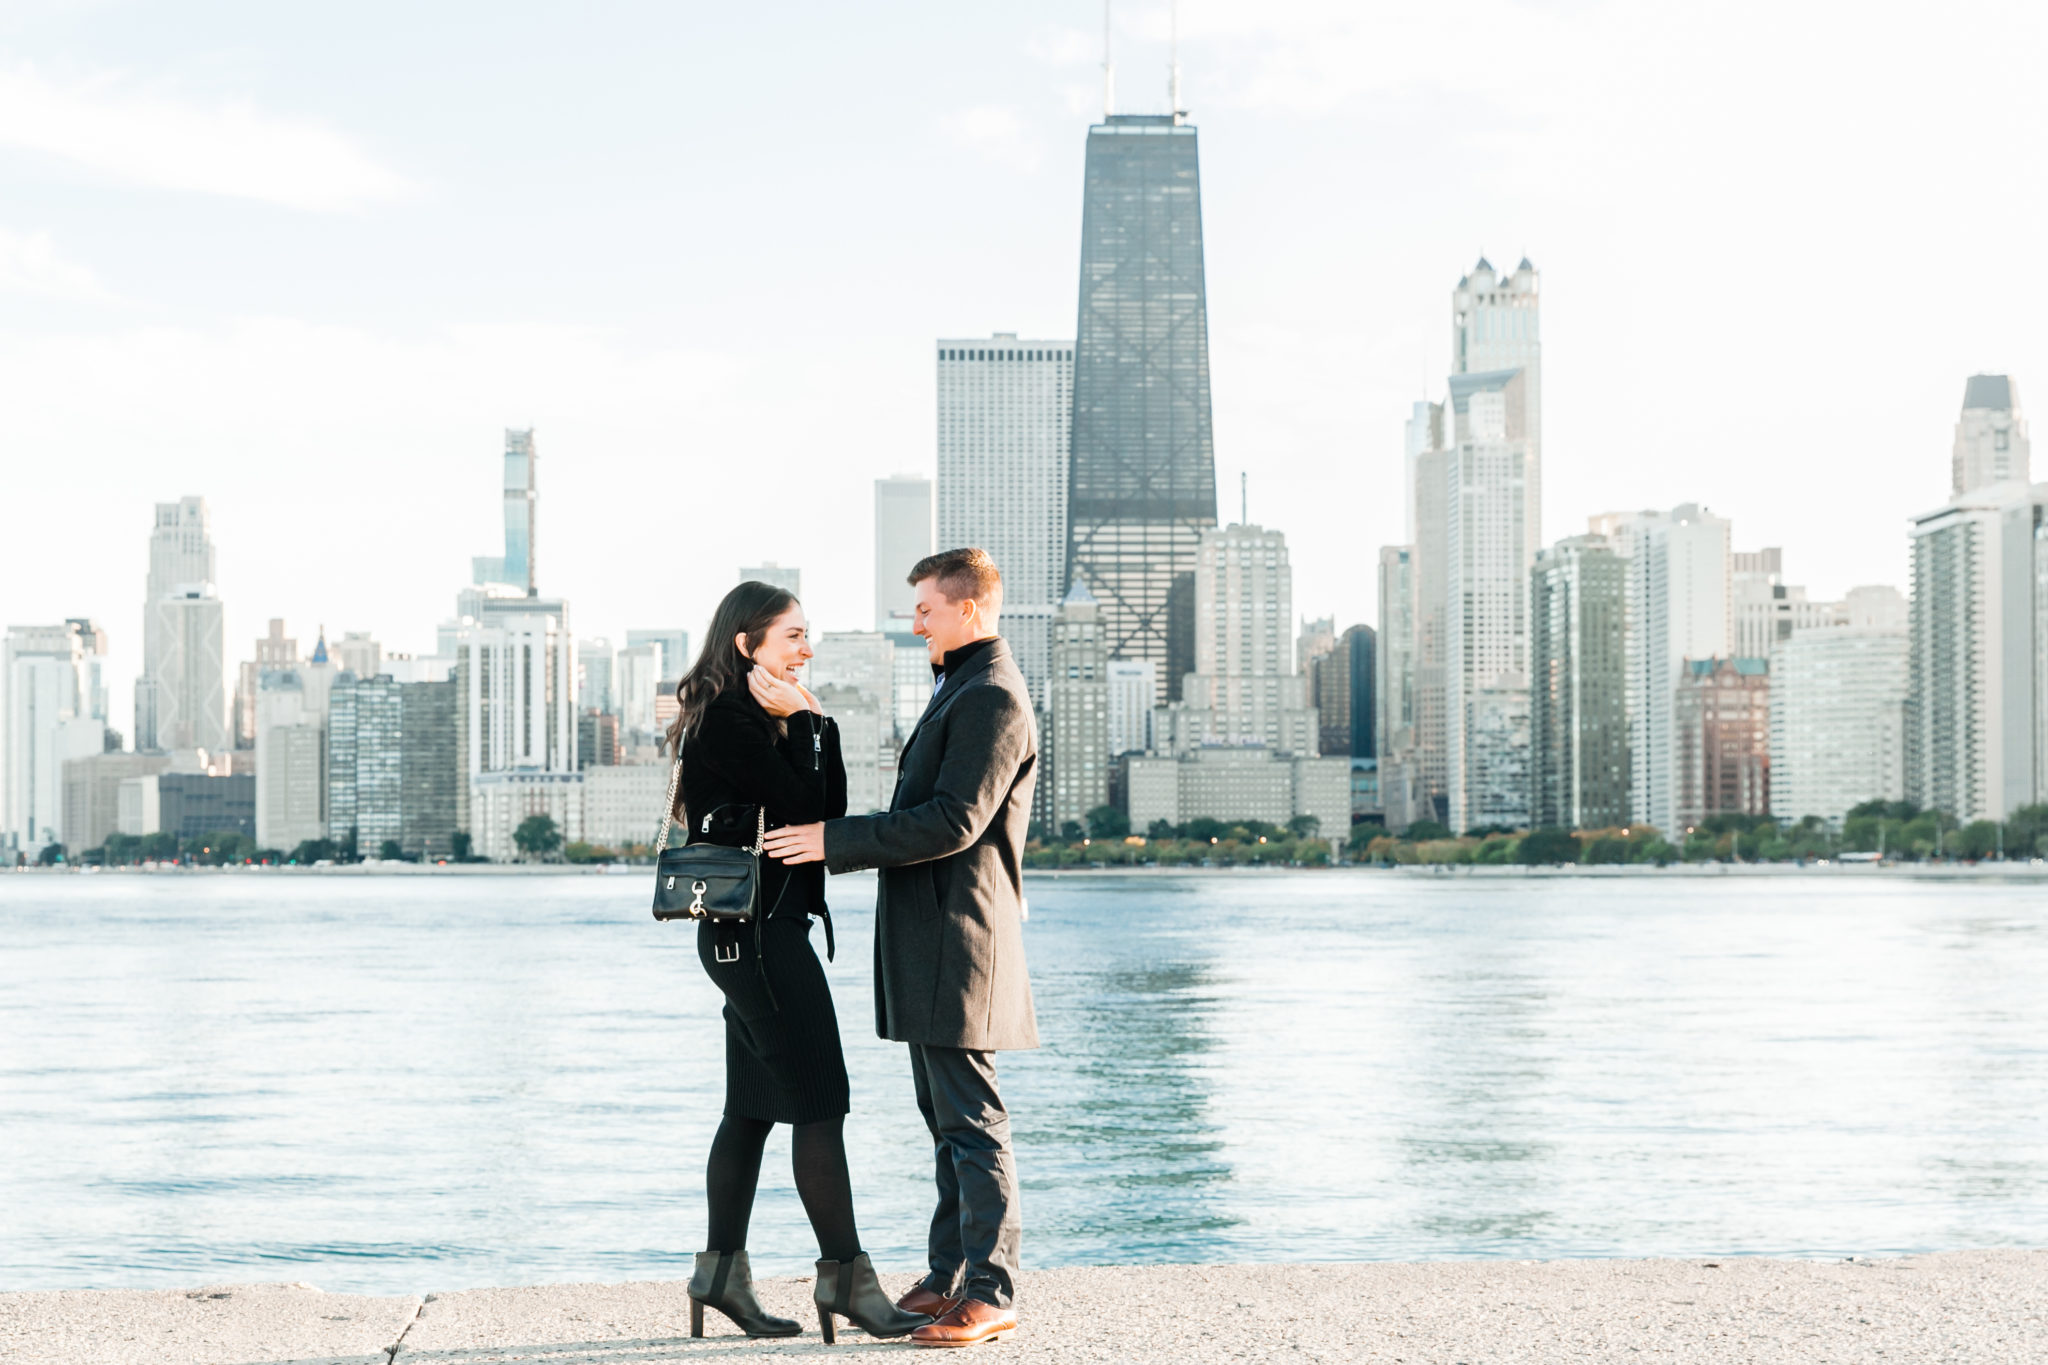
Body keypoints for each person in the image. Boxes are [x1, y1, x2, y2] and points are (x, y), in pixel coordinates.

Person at [763, 547, 1039, 1349]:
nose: (914, 619)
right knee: (941, 1114)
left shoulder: (991, 695)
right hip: (931, 937)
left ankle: (992, 1289)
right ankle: (950, 1274)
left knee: (971, 1118)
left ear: (971, 609)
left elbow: (954, 819)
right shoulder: (960, 685)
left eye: (925, 606)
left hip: (962, 939)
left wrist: (829, 841)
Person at [669, 580, 929, 1344]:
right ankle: (846, 1276)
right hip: (757, 939)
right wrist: (810, 719)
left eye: (807, 634)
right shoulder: (727, 722)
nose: (805, 648)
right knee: (821, 1102)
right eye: (793, 636)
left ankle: (721, 1273)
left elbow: (830, 804)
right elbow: (805, 808)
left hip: (753, 933)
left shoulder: (766, 718)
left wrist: (813, 722)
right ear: (747, 645)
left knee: (751, 1106)